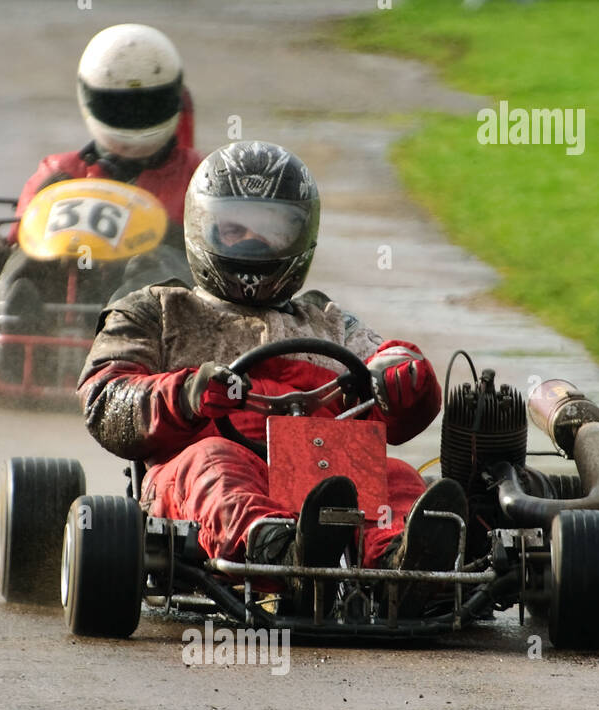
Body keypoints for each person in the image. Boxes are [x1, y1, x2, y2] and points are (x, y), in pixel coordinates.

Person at [77, 140, 467, 614]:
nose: (250, 243)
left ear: (301, 236)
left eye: (271, 230)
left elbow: (391, 370)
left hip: (324, 468)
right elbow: (105, 398)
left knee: (395, 476)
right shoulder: (156, 310)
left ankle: (403, 566)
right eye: (234, 228)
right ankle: (280, 552)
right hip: (199, 467)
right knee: (216, 464)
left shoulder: (327, 322)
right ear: (203, 228)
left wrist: (407, 375)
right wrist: (184, 393)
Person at [0, 23, 203, 326]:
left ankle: (127, 333)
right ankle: (8, 331)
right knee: (27, 258)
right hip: (61, 298)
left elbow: (223, 254)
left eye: (147, 104)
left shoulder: (201, 176)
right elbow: (18, 240)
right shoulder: (60, 172)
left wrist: (170, 236)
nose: (134, 116)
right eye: (119, 107)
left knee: (156, 263)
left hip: (155, 315)